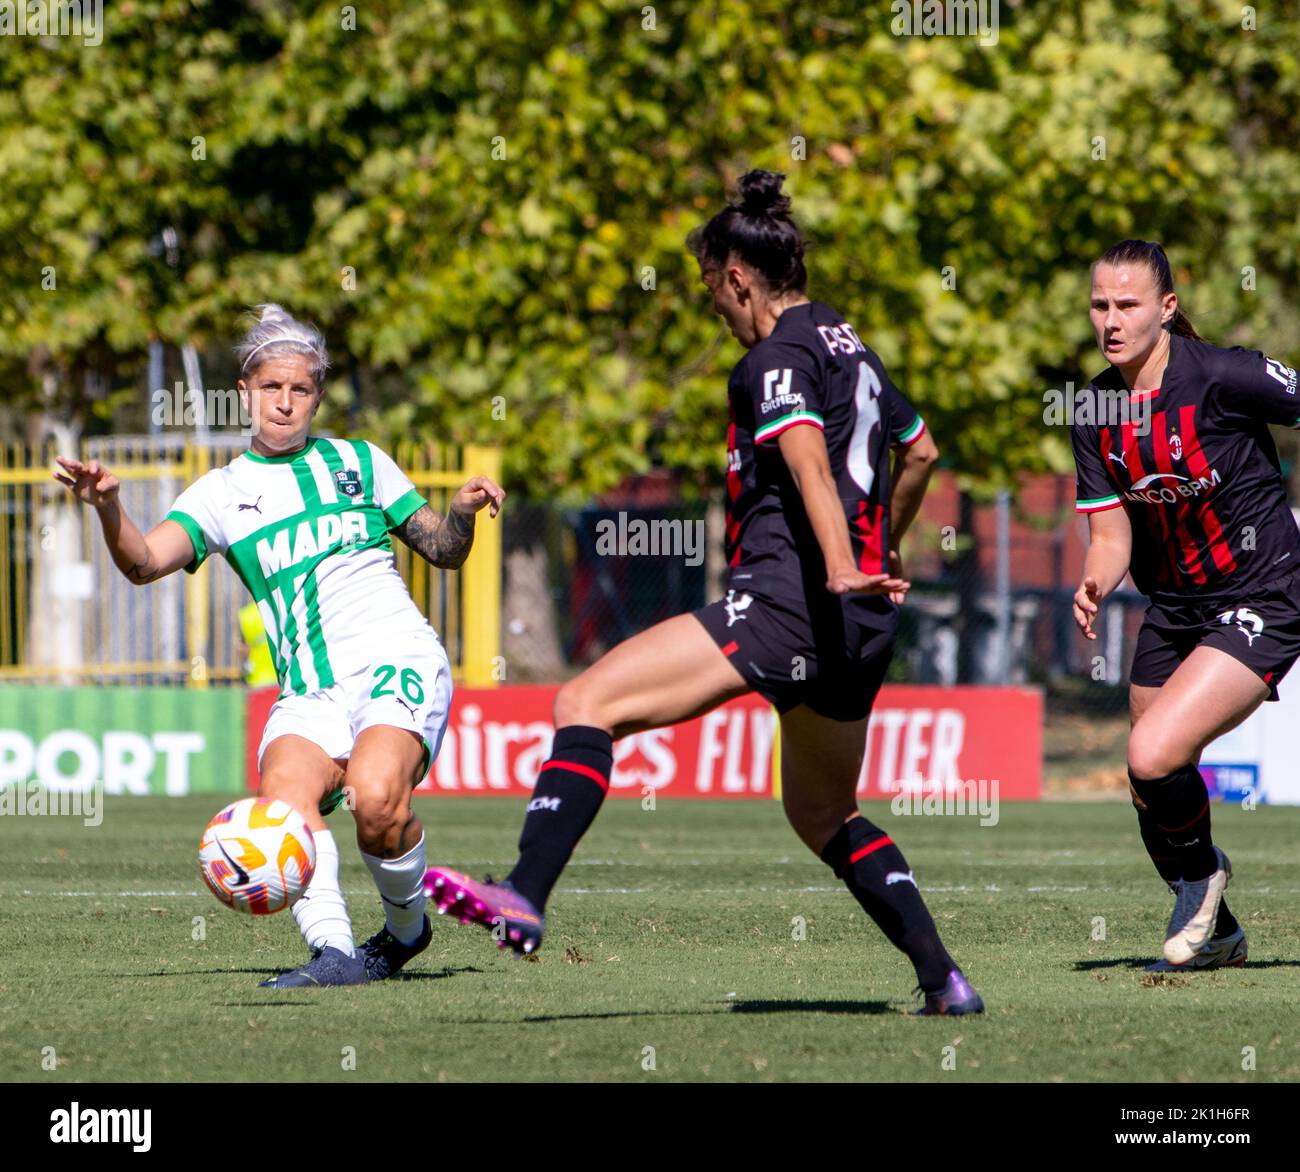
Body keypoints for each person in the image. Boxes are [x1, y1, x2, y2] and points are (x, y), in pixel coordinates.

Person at [426, 170, 983, 1015]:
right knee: (826, 812)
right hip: (863, 620)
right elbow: (922, 451)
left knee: (586, 700)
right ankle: (944, 979)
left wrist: (838, 558)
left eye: (710, 292)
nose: (713, 310)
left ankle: (525, 893)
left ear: (738, 279)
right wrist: (882, 547)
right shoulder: (848, 344)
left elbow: (800, 451)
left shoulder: (776, 357)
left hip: (793, 600)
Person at [55, 304, 504, 987]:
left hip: (397, 657)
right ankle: (334, 955)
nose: (285, 402)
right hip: (311, 690)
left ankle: (407, 932)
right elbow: (144, 564)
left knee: (376, 802)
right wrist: (109, 507)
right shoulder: (221, 494)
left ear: (317, 397)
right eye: (272, 388)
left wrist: (464, 515)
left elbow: (442, 550)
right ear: (245, 392)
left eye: (300, 389)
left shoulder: (361, 463)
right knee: (282, 803)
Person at [1072, 239, 1300, 969]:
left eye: (1127, 304)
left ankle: (1203, 877)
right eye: (1101, 304)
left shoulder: (1227, 376)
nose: (1111, 319)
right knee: (1149, 784)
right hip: (1173, 609)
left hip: (1262, 591)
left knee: (1151, 750)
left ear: (1166, 309)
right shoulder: (1093, 409)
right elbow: (1109, 536)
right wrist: (1096, 579)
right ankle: (1221, 934)